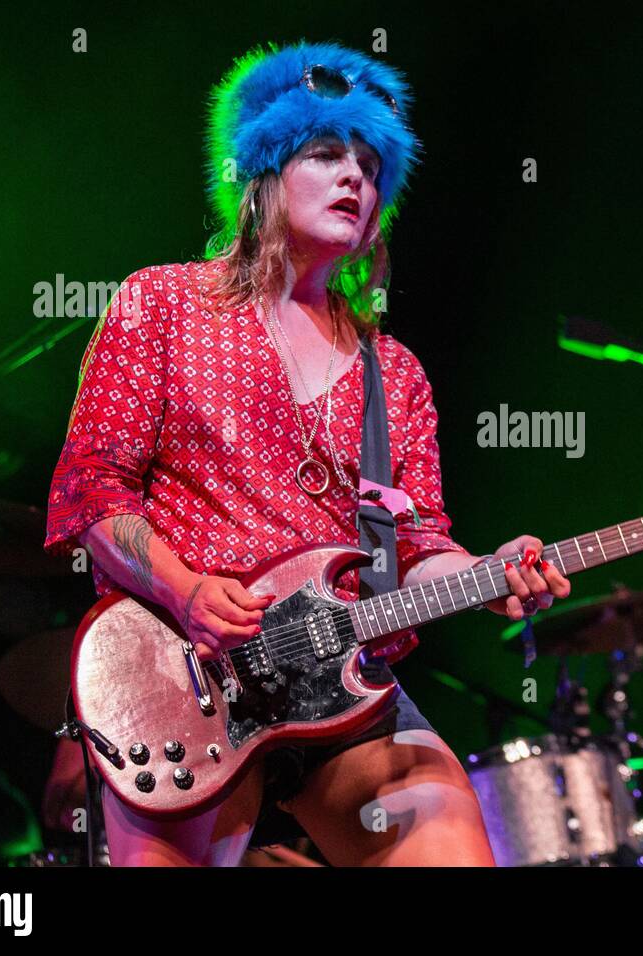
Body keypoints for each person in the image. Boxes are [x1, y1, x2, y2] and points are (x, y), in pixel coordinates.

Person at [43, 40, 570, 866]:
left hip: (341, 684)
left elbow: (417, 546)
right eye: (327, 153)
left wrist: (487, 574)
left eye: (370, 163)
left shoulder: (391, 372)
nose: (355, 177)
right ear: (260, 173)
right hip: (188, 681)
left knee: (451, 838)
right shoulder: (162, 304)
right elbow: (94, 491)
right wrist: (184, 591)